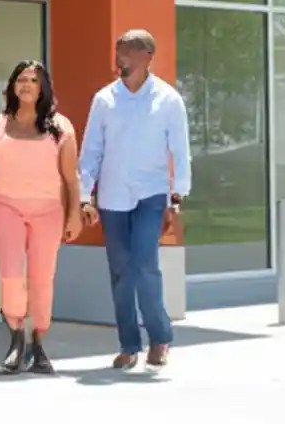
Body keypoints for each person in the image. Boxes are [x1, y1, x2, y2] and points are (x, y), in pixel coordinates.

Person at [78, 29, 191, 370]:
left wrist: (177, 199)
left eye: (127, 52)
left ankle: (159, 337)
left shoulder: (168, 100)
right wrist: (85, 196)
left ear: (147, 57)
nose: (120, 60)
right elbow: (91, 151)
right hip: (112, 197)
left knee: (144, 265)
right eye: (118, 52)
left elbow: (181, 152)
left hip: (151, 195)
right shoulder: (104, 100)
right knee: (121, 271)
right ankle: (129, 344)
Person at [0, 60, 83, 375]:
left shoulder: (61, 127)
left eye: (33, 80)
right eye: (21, 79)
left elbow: (71, 178)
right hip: (7, 208)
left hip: (49, 211)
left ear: (43, 87)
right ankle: (16, 339)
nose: (26, 85)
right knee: (11, 275)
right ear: (12, 86)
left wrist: (75, 215)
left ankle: (39, 343)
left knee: (42, 278)